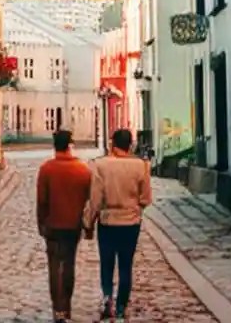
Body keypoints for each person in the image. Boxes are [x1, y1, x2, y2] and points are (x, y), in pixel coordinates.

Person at [83, 128, 152, 322]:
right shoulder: (141, 166)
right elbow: (146, 198)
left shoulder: (100, 165)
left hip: (107, 221)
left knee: (106, 263)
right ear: (130, 145)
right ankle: (121, 307)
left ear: (113, 144)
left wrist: (88, 222)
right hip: (130, 222)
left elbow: (95, 199)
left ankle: (107, 297)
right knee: (125, 264)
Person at [36, 129, 92, 323]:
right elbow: (89, 202)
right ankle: (66, 307)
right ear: (70, 145)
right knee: (68, 264)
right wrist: (88, 226)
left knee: (54, 266)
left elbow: (42, 201)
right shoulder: (82, 169)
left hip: (52, 226)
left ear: (54, 146)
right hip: (73, 226)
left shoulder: (46, 169)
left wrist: (41, 223)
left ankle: (57, 308)